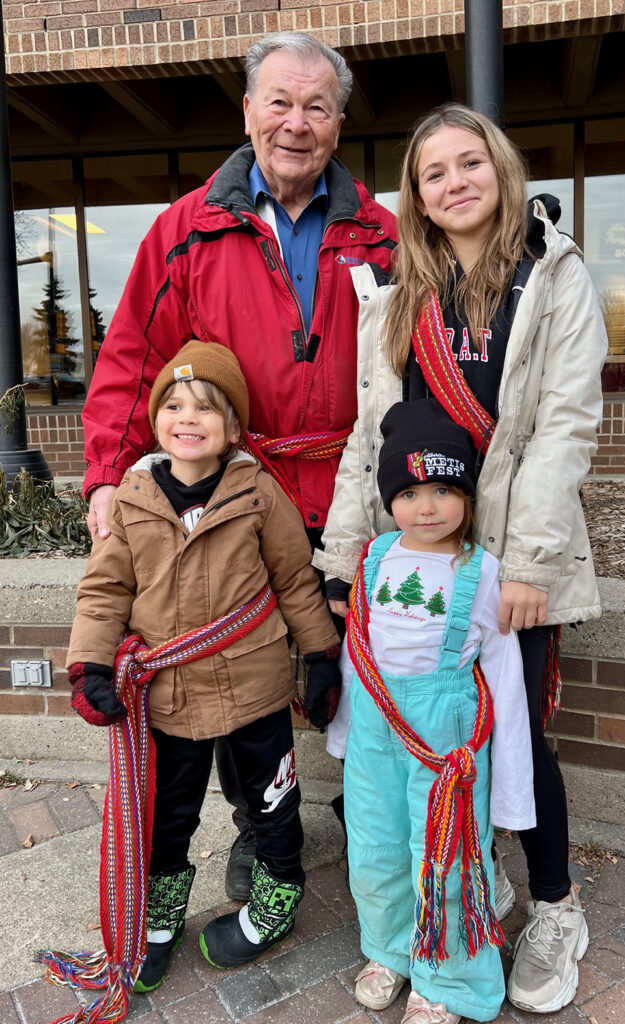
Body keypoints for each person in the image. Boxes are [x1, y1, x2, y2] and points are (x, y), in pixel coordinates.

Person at [80, 31, 397, 900]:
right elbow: (132, 359)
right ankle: (260, 830)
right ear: (248, 110)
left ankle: (355, 812)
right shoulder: (184, 229)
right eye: (280, 103)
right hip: (236, 491)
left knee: (354, 662)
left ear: (338, 122)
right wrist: (108, 473)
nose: (297, 123)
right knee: (236, 675)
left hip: (355, 493)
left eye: (317, 106)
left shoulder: (380, 233)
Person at [314, 103, 608, 1016]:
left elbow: (563, 426)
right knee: (415, 747)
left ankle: (554, 906)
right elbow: (371, 438)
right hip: (412, 560)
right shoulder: (397, 294)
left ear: (501, 168)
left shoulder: (553, 277)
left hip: (504, 561)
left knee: (513, 736)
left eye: (467, 163)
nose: (452, 182)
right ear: (417, 196)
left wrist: (524, 564)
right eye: (431, 172)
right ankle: (439, 913)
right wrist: (343, 556)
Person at [67, 340, 342, 990]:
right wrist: (90, 666)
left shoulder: (256, 491)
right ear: (158, 417)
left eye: (206, 408)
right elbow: (105, 591)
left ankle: (277, 894)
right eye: (174, 404)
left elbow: (295, 580)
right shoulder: (134, 497)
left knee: (270, 798)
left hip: (256, 686)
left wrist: (320, 656)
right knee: (169, 811)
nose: (187, 419)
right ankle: (159, 919)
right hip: (170, 694)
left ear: (234, 427)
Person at [344, 399, 534, 1024]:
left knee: (446, 855)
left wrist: (510, 792)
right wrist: (346, 735)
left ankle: (447, 980)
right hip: (375, 730)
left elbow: (504, 680)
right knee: (375, 845)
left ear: (468, 496)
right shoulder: (374, 561)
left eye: (444, 489)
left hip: (445, 735)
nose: (426, 508)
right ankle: (392, 949)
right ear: (389, 498)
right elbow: (358, 655)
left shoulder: (482, 573)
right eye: (410, 491)